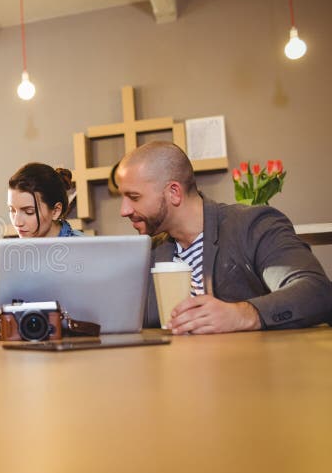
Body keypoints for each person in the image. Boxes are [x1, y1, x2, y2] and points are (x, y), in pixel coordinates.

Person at [115, 140, 332, 334]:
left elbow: (317, 292)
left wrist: (241, 314)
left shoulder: (252, 226)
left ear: (174, 192)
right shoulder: (149, 252)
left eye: (134, 197)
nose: (124, 210)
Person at [0, 162, 82, 334]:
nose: (17, 222)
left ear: (56, 211)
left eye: (28, 212)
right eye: (12, 210)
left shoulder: (84, 249)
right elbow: (22, 320)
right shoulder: (12, 255)